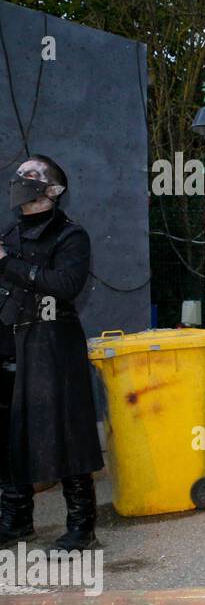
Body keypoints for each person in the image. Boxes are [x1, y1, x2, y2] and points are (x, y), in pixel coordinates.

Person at [0, 155, 103, 551]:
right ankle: (16, 520)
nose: (19, 181)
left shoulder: (69, 235)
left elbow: (65, 284)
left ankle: (81, 527)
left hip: (52, 346)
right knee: (9, 434)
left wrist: (9, 264)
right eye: (19, 175)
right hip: (10, 341)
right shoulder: (10, 231)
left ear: (52, 191)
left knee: (66, 433)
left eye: (30, 176)